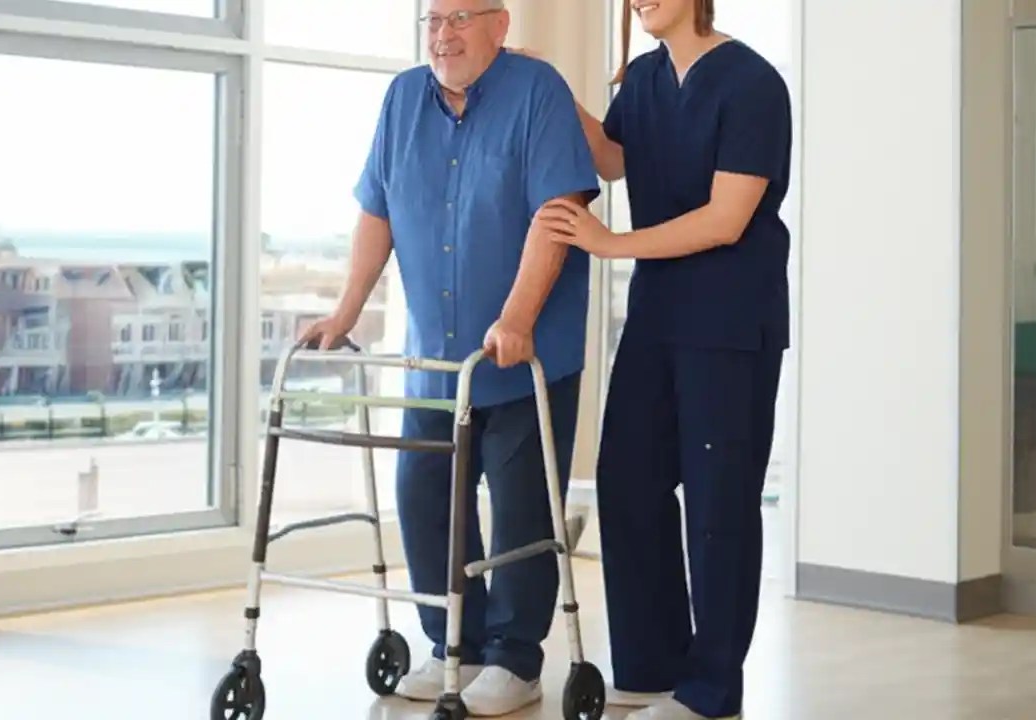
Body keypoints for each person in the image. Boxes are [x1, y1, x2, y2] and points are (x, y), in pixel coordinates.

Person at [298, 0, 601, 715]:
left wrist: (517, 318)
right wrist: (346, 312)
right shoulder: (403, 98)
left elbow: (557, 212)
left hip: (524, 356)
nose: (443, 34)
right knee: (425, 498)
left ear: (500, 25)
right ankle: (450, 644)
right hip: (435, 359)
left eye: (461, 18)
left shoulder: (537, 92)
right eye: (433, 20)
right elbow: (378, 209)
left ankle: (516, 660)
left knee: (521, 513)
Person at [531, 1, 793, 718]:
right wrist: (554, 89)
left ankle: (712, 690)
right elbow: (616, 159)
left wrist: (610, 244)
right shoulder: (644, 79)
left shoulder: (752, 84)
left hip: (729, 321)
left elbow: (727, 218)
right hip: (657, 317)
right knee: (627, 482)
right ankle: (651, 668)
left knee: (718, 504)